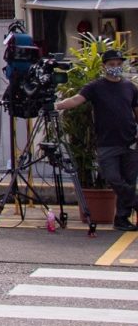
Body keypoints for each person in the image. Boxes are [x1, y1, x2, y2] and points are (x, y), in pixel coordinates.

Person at [55, 49, 138, 232]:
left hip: (130, 141)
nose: (115, 67)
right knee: (113, 178)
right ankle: (135, 202)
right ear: (104, 66)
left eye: (118, 64)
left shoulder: (130, 87)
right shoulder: (95, 87)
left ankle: (122, 219)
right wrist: (57, 105)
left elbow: (136, 110)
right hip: (106, 142)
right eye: (111, 64)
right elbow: (76, 99)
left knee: (129, 180)